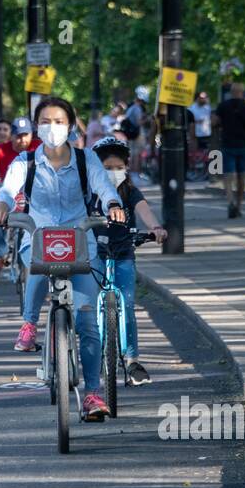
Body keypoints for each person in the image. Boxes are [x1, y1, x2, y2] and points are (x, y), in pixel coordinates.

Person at [0, 96, 126, 421]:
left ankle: (93, 393)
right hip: (40, 238)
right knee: (37, 256)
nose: (53, 128)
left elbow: (104, 187)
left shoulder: (86, 160)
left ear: (70, 124)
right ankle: (29, 323)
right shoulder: (25, 162)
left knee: (87, 322)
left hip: (80, 243)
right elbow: (8, 189)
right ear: (37, 126)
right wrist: (2, 204)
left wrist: (112, 205)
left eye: (59, 121)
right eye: (46, 122)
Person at [92, 137, 167, 383]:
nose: (113, 173)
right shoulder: (89, 194)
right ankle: (92, 356)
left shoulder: (131, 192)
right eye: (107, 168)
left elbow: (144, 211)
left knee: (127, 304)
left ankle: (132, 360)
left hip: (123, 252)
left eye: (118, 167)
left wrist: (155, 227)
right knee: (89, 306)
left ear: (126, 167)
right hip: (96, 254)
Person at [0, 116, 38, 271]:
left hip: (32, 194)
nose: (22, 140)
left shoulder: (39, 147)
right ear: (11, 135)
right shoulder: (0, 150)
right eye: (18, 136)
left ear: (31, 135)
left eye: (25, 135)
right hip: (6, 192)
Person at [216, 82, 245, 217]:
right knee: (241, 176)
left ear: (231, 92)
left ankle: (230, 202)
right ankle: (239, 205)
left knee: (228, 175)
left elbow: (213, 122)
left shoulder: (223, 106)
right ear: (242, 92)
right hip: (244, 145)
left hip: (228, 144)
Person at [188, 90, 213, 155]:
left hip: (206, 134)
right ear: (197, 98)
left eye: (205, 97)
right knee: (196, 153)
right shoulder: (191, 108)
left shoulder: (208, 107)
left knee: (205, 153)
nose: (204, 99)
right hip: (196, 135)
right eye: (202, 98)